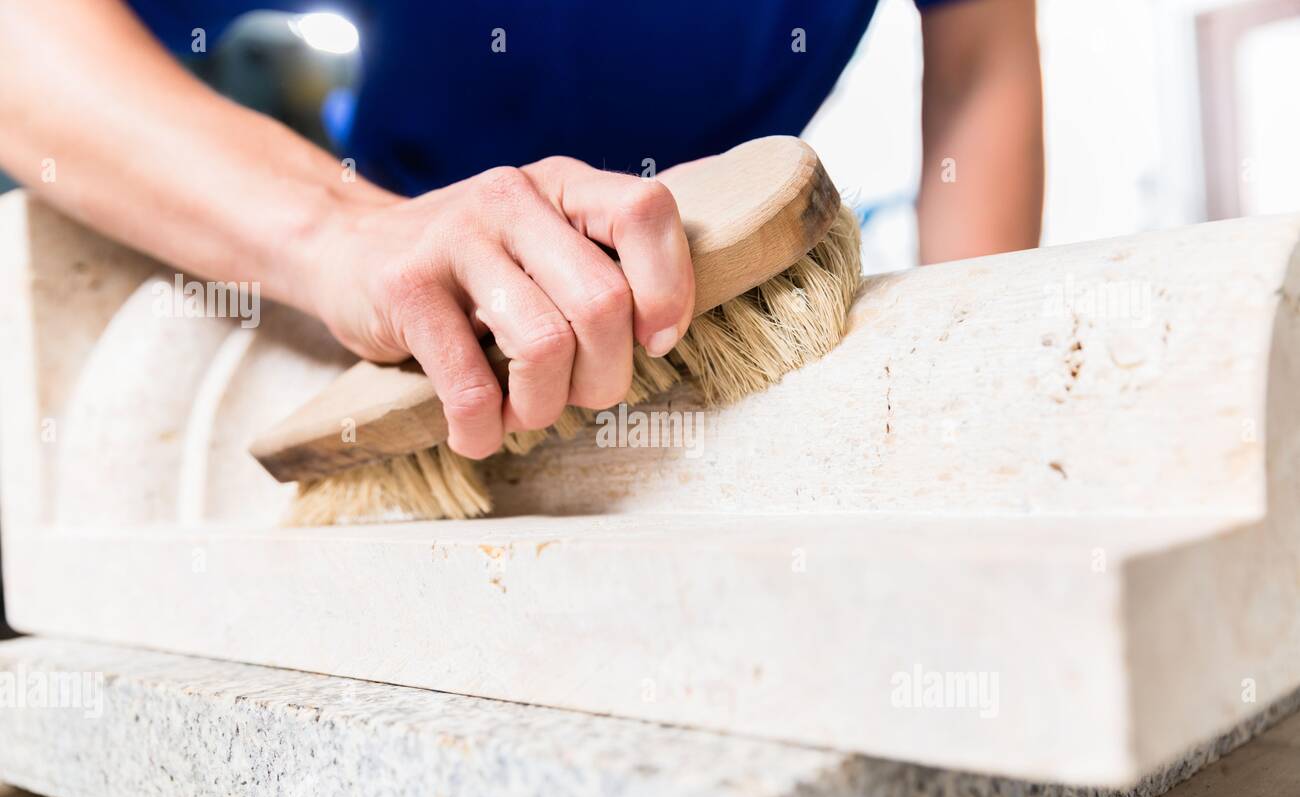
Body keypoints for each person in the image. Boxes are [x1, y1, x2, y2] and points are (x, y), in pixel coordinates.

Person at [0, 0, 1043, 460]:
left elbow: (980, 58)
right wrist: (340, 234)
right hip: (362, 260)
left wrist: (966, 397)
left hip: (701, 289)